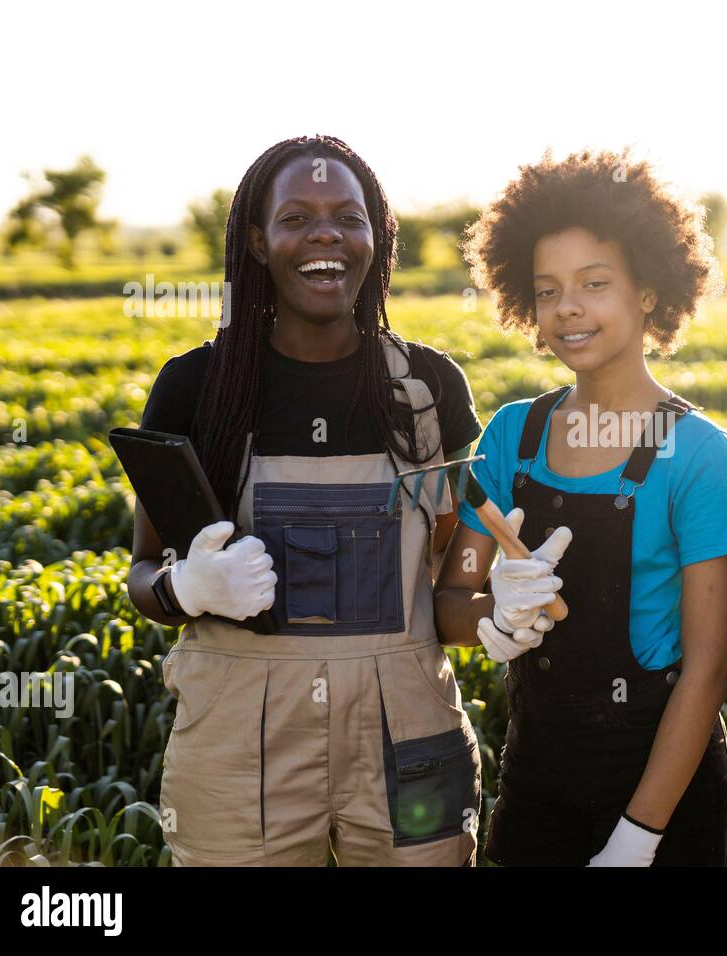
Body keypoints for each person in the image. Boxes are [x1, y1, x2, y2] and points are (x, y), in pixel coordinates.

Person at [127, 134, 483, 866]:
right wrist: (184, 585)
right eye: (296, 217)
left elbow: (454, 573)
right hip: (237, 744)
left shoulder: (428, 390)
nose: (326, 233)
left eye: (348, 217)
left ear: (376, 238)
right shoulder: (198, 389)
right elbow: (142, 573)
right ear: (256, 242)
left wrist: (502, 603)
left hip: (408, 734)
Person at [434, 149, 727, 866]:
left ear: (649, 291)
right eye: (547, 290)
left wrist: (638, 836)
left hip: (662, 790)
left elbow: (709, 669)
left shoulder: (697, 454)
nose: (568, 309)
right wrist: (494, 614)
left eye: (594, 284)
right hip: (535, 783)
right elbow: (449, 601)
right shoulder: (509, 437)